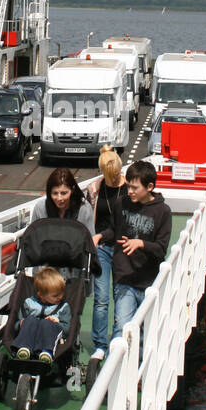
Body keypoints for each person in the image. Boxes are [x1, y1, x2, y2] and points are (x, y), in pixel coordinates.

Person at [101, 159, 172, 341]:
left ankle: (138, 367)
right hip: (124, 277)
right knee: (121, 328)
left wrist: (141, 243)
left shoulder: (163, 211)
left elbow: (161, 248)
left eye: (134, 188)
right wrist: (99, 237)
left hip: (148, 281)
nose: (130, 191)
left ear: (149, 187)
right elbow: (113, 230)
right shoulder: (120, 204)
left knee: (144, 334)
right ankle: (116, 369)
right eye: (128, 187)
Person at [85, 146, 127, 362]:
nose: (112, 179)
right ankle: (100, 344)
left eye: (115, 176)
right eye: (108, 177)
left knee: (120, 296)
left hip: (121, 247)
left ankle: (117, 340)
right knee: (101, 299)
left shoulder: (129, 189)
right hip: (101, 249)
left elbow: (123, 224)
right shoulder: (96, 188)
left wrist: (100, 236)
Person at [14, 266, 72, 364]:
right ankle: (24, 348)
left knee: (47, 323)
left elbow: (67, 330)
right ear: (41, 295)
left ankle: (47, 352)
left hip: (51, 337)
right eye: (55, 295)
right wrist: (20, 324)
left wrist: (58, 323)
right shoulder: (29, 303)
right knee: (30, 320)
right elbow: (17, 325)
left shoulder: (63, 307)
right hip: (30, 337)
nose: (60, 297)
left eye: (62, 293)